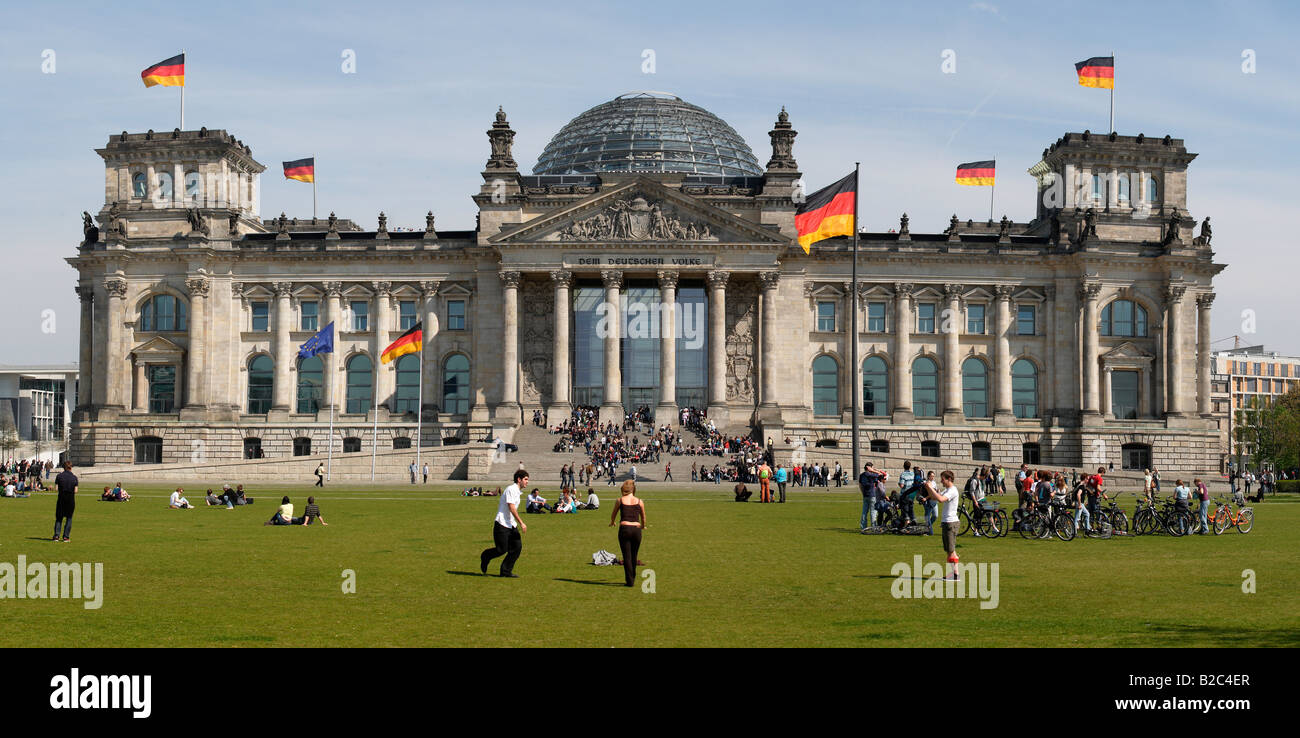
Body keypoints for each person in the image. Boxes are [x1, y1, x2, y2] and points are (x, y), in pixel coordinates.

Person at [480, 470, 528, 577]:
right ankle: (485, 556)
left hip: (511, 524)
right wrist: (521, 523)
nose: (527, 482)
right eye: (525, 479)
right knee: (501, 550)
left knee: (517, 547)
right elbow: (511, 507)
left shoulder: (517, 491)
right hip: (502, 524)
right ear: (519, 479)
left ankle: (505, 571)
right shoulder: (511, 489)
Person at [919, 471, 962, 580]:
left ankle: (955, 575)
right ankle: (954, 574)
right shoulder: (947, 490)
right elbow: (934, 497)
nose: (941, 481)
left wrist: (930, 487)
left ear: (948, 479)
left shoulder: (952, 490)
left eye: (943, 479)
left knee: (951, 551)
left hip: (950, 523)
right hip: (947, 523)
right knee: (949, 550)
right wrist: (928, 487)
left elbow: (941, 499)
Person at [610, 480, 647, 587]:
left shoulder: (620, 500)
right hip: (636, 529)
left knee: (627, 556)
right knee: (634, 555)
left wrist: (612, 522)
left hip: (624, 529)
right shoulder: (640, 501)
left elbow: (613, 515)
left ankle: (629, 581)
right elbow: (643, 518)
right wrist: (643, 526)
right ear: (633, 489)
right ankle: (633, 577)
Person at [53, 461, 77, 542]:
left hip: (61, 499)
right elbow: (76, 490)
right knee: (69, 518)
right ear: (70, 467)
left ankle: (56, 536)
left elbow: (56, 489)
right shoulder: (74, 477)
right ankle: (66, 537)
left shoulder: (59, 476)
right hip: (70, 500)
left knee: (59, 518)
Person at [859, 462, 885, 530]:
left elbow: (860, 485)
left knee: (864, 512)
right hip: (872, 494)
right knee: (873, 512)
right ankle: (874, 527)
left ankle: (863, 527)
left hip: (865, 495)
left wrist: (863, 493)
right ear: (869, 467)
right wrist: (874, 470)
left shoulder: (862, 475)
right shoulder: (872, 475)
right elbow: (881, 474)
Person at [921, 471, 939, 535]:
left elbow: (935, 491)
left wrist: (937, 491)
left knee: (935, 516)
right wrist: (926, 498)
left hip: (934, 501)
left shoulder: (934, 483)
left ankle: (927, 527)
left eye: (933, 476)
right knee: (927, 516)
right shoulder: (926, 483)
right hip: (929, 501)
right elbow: (930, 493)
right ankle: (928, 529)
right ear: (928, 476)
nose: (932, 477)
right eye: (931, 476)